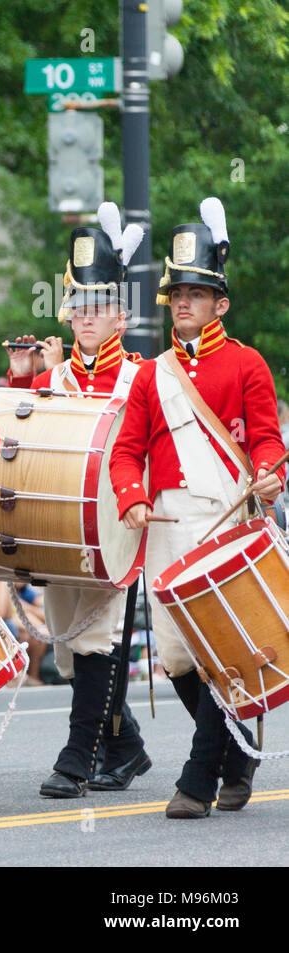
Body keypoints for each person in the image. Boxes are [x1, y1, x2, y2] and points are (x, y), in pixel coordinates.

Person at [109, 197, 284, 819]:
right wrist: (131, 500)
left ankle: (198, 779)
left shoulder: (247, 363)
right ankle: (237, 756)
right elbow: (125, 455)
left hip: (230, 518)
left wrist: (268, 473)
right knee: (181, 658)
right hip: (167, 524)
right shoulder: (150, 375)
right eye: (177, 292)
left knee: (215, 653)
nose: (183, 301)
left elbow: (266, 439)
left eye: (196, 292)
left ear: (220, 303)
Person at [4, 203, 152, 798]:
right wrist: (19, 382)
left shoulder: (140, 377)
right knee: (69, 649)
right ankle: (127, 747)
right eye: (78, 309)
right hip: (63, 528)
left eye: (99, 309)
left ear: (120, 315)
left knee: (97, 640)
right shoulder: (54, 378)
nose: (86, 319)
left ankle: (77, 757)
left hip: (119, 527)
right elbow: (23, 445)